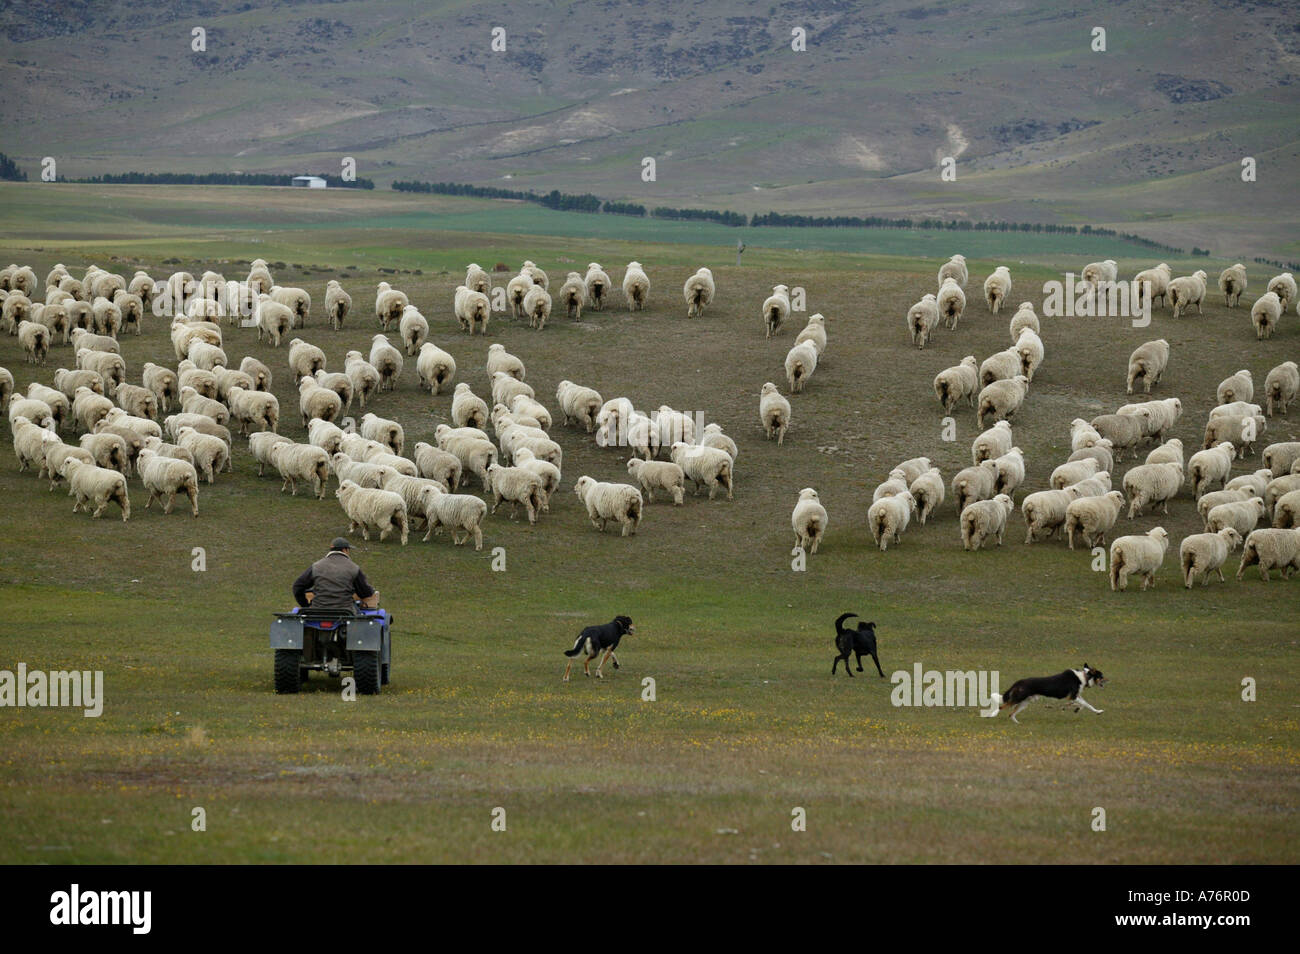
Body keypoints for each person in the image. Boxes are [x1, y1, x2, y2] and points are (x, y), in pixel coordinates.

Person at [292, 537, 379, 611]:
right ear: (345, 550)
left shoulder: (316, 566)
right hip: (345, 611)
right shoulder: (353, 568)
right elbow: (365, 593)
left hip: (318, 610)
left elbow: (297, 587)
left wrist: (306, 606)